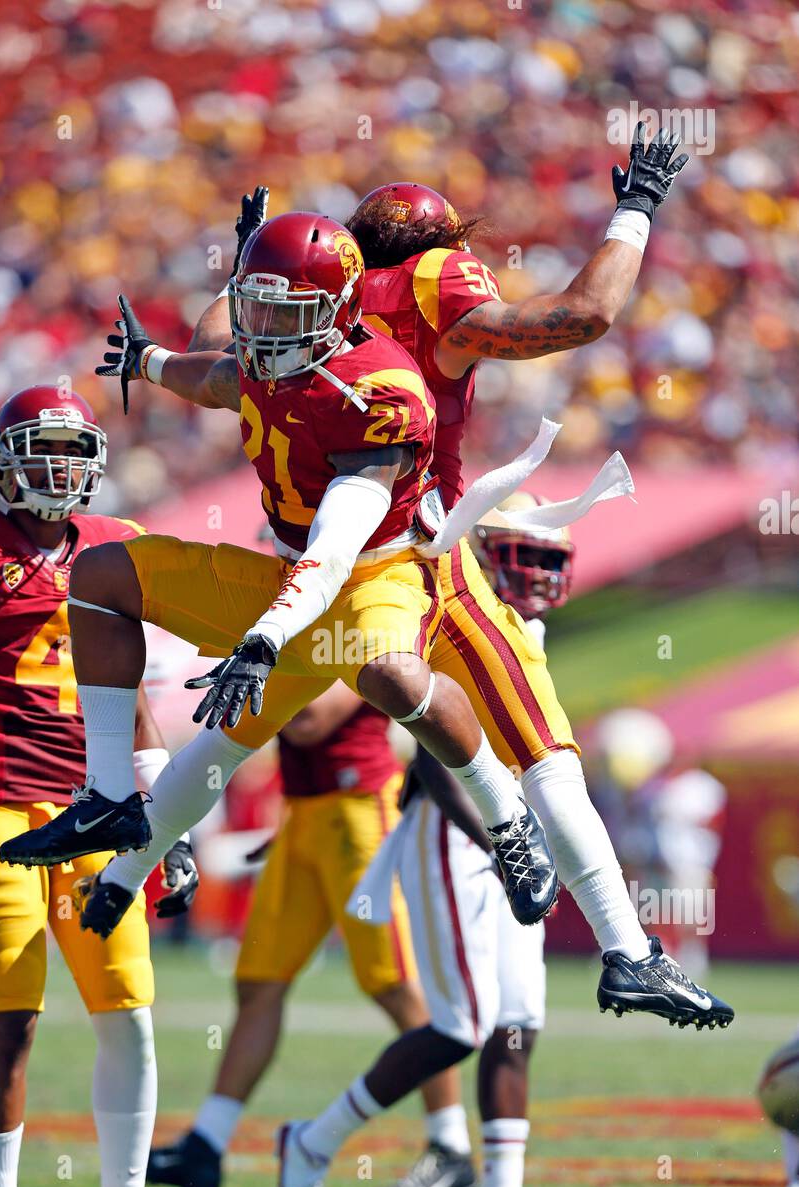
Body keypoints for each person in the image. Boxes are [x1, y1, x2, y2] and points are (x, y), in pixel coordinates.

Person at [57, 124, 735, 1028]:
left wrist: (216, 289)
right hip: (410, 553)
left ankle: (130, 867)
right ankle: (622, 944)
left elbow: (221, 363)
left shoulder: (310, 323)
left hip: (316, 561)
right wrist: (637, 210)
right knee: (540, 748)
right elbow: (585, 316)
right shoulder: (412, 297)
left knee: (228, 736)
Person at [0, 212, 560, 964]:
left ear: (338, 313)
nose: (260, 329)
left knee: (391, 673)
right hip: (283, 571)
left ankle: (507, 817)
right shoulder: (274, 356)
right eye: (253, 306)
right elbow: (219, 377)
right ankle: (106, 796)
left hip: (373, 573)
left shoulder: (380, 390)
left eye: (282, 313)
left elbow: (336, 545)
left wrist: (265, 637)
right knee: (100, 576)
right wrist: (150, 360)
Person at [274, 494, 596, 1187]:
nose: (546, 574)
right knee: (462, 1024)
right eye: (532, 556)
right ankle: (313, 1143)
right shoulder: (449, 615)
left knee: (517, 1025)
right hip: (456, 836)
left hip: (512, 845)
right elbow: (434, 751)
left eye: (555, 559)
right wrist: (503, 844)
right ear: (484, 554)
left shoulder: (526, 628)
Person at [0, 386, 185, 1187]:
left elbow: (134, 692)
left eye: (72, 450)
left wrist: (166, 809)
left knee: (132, 1016)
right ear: (3, 461)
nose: (59, 469)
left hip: (99, 803)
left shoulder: (112, 545)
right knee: (16, 1015)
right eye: (40, 451)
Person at [148, 683, 475, 1187]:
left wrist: (248, 679)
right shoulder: (291, 629)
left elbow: (310, 716)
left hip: (362, 812)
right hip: (303, 814)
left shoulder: (353, 623)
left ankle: (450, 1147)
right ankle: (206, 1143)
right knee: (259, 983)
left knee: (398, 987)